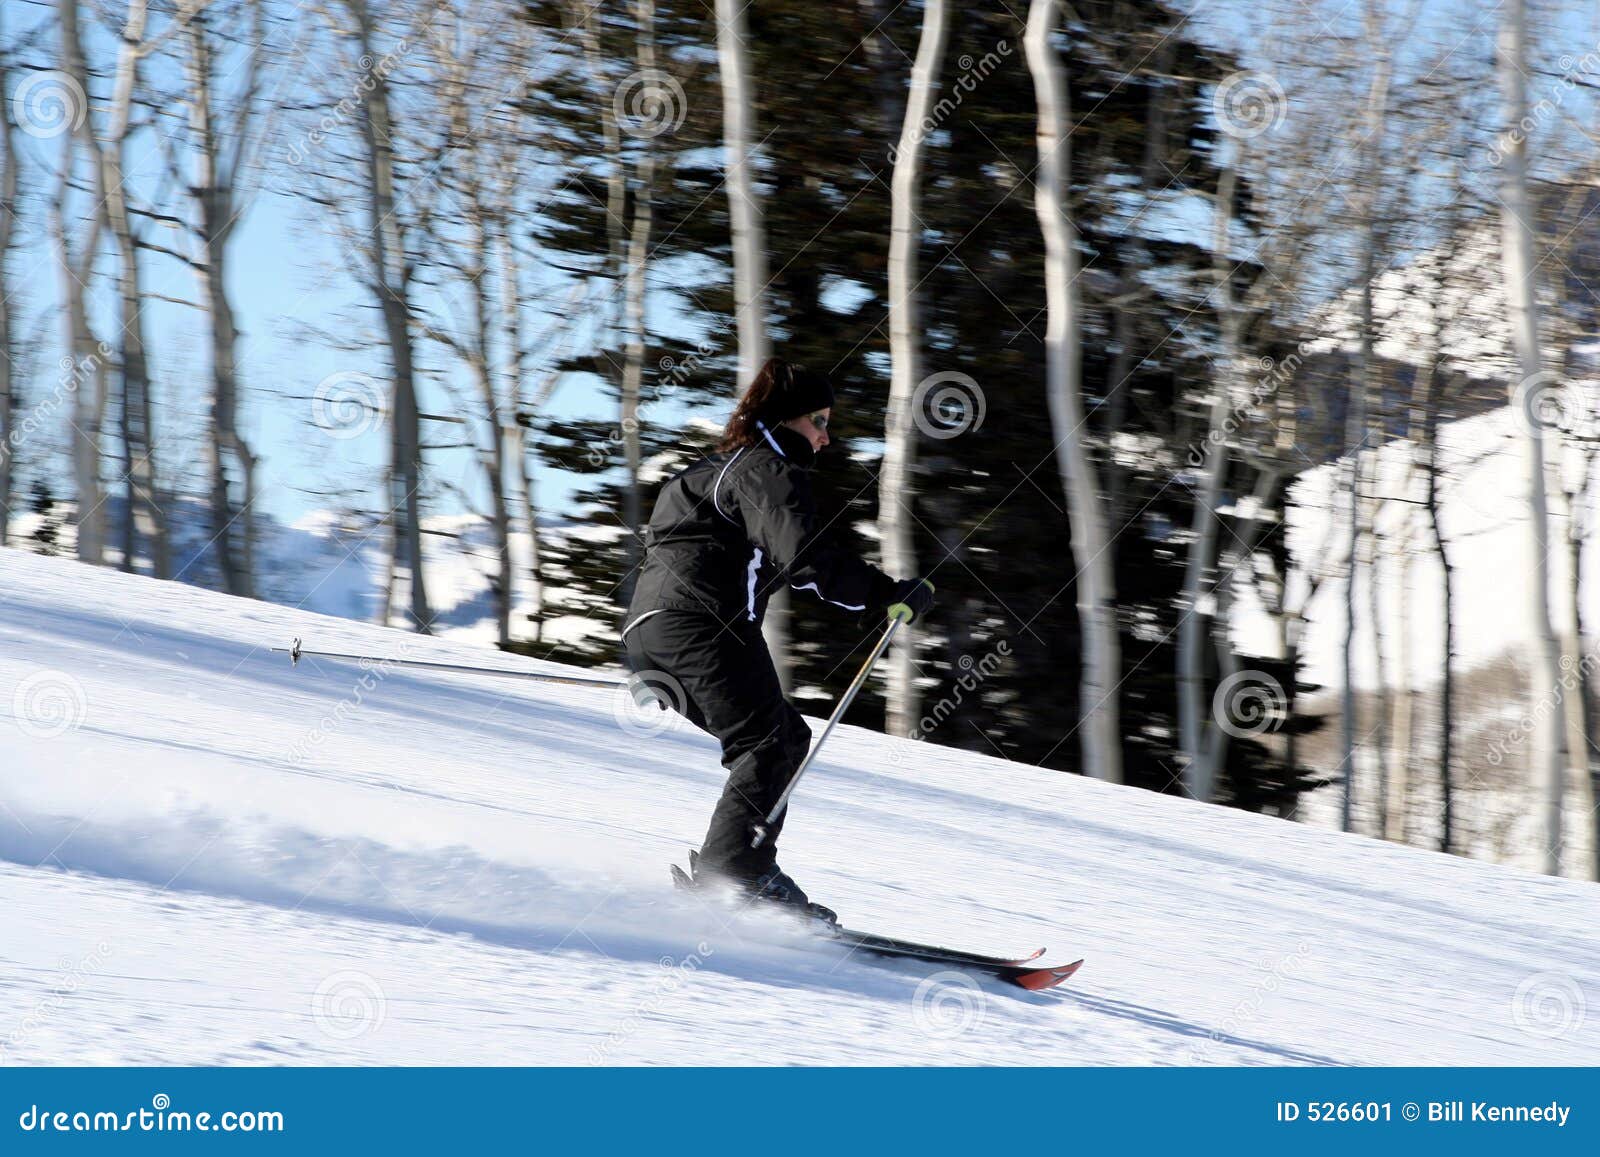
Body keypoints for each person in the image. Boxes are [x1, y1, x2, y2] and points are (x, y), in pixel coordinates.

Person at [623, 356, 935, 920]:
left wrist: (657, 666)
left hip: (649, 634)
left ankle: (744, 869)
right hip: (704, 627)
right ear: (785, 419)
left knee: (783, 737)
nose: (825, 436)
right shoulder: (765, 470)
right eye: (818, 420)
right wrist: (887, 594)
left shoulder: (704, 472)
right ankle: (733, 876)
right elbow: (805, 559)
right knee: (767, 744)